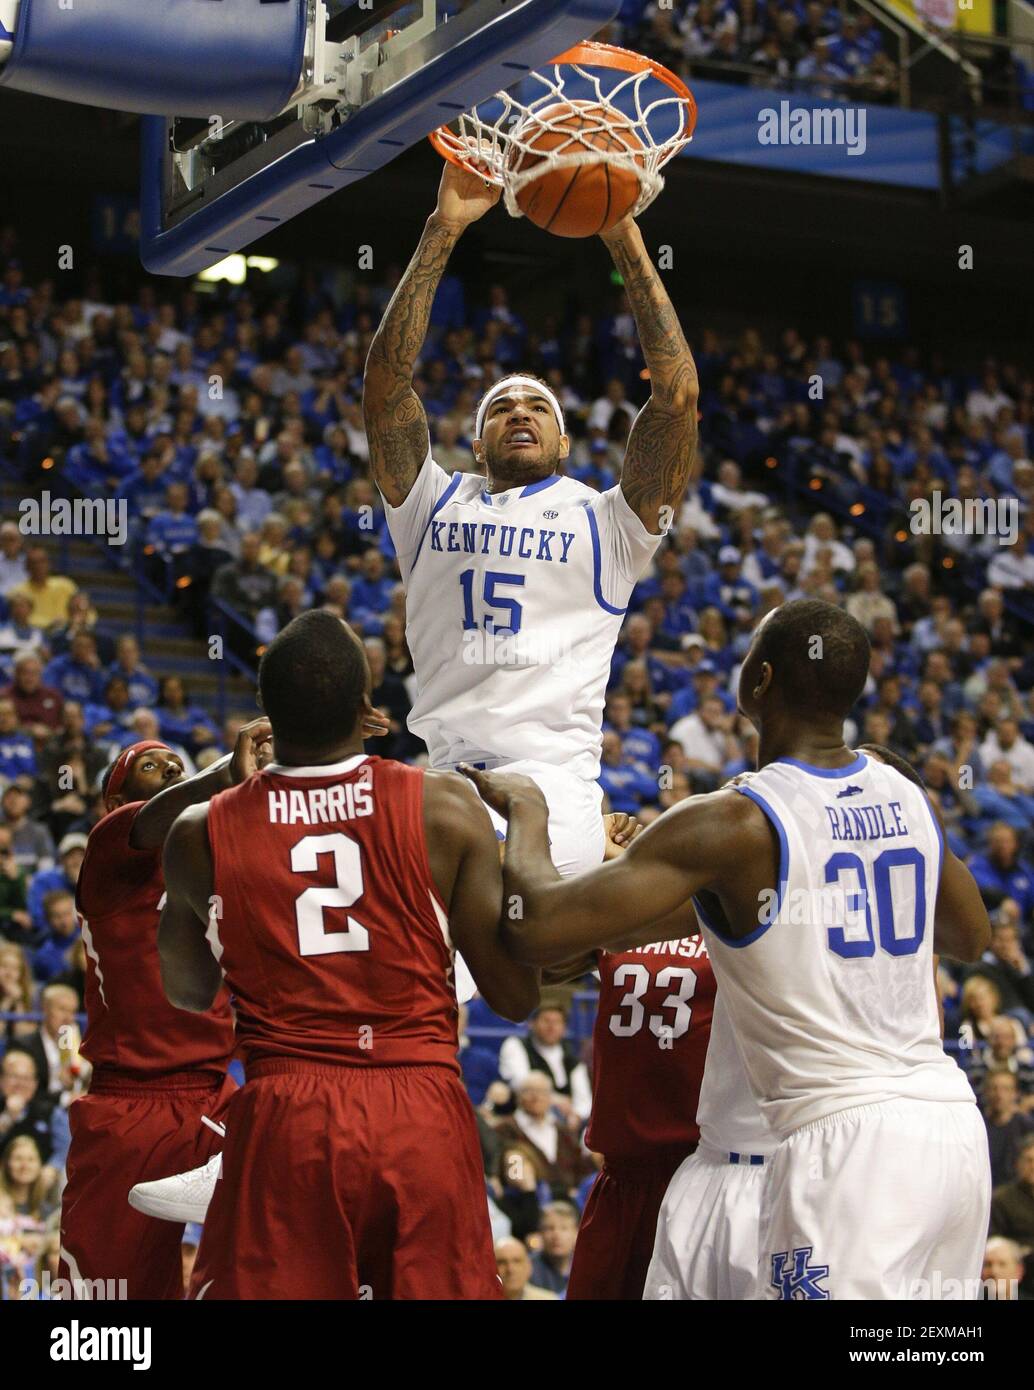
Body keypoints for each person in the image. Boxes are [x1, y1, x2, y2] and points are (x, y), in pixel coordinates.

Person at [466, 598, 993, 1300]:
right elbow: (969, 935)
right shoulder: (904, 792)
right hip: (951, 1131)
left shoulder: (733, 822)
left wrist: (527, 811)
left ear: (759, 682)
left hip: (846, 1142)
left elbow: (534, 927)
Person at [157, 610, 539, 1299]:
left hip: (285, 1115)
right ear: (368, 711)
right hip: (418, 1107)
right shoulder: (446, 807)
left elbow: (187, 991)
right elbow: (515, 996)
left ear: (265, 715)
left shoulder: (196, 832)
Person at [361, 158, 698, 889]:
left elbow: (675, 398)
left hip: (555, 793)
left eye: (538, 406)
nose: (520, 411)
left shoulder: (606, 520)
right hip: (448, 786)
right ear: (476, 443)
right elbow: (386, 388)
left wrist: (622, 235)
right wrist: (443, 229)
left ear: (565, 443)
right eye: (501, 408)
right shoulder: (433, 504)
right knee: (428, 986)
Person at [57, 725, 270, 1301]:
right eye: (153, 767)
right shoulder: (108, 852)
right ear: (115, 800)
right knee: (105, 1310)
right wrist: (237, 766)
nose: (173, 771)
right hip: (132, 1109)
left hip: (220, 1099)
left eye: (177, 763)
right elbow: (170, 808)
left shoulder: (217, 858)